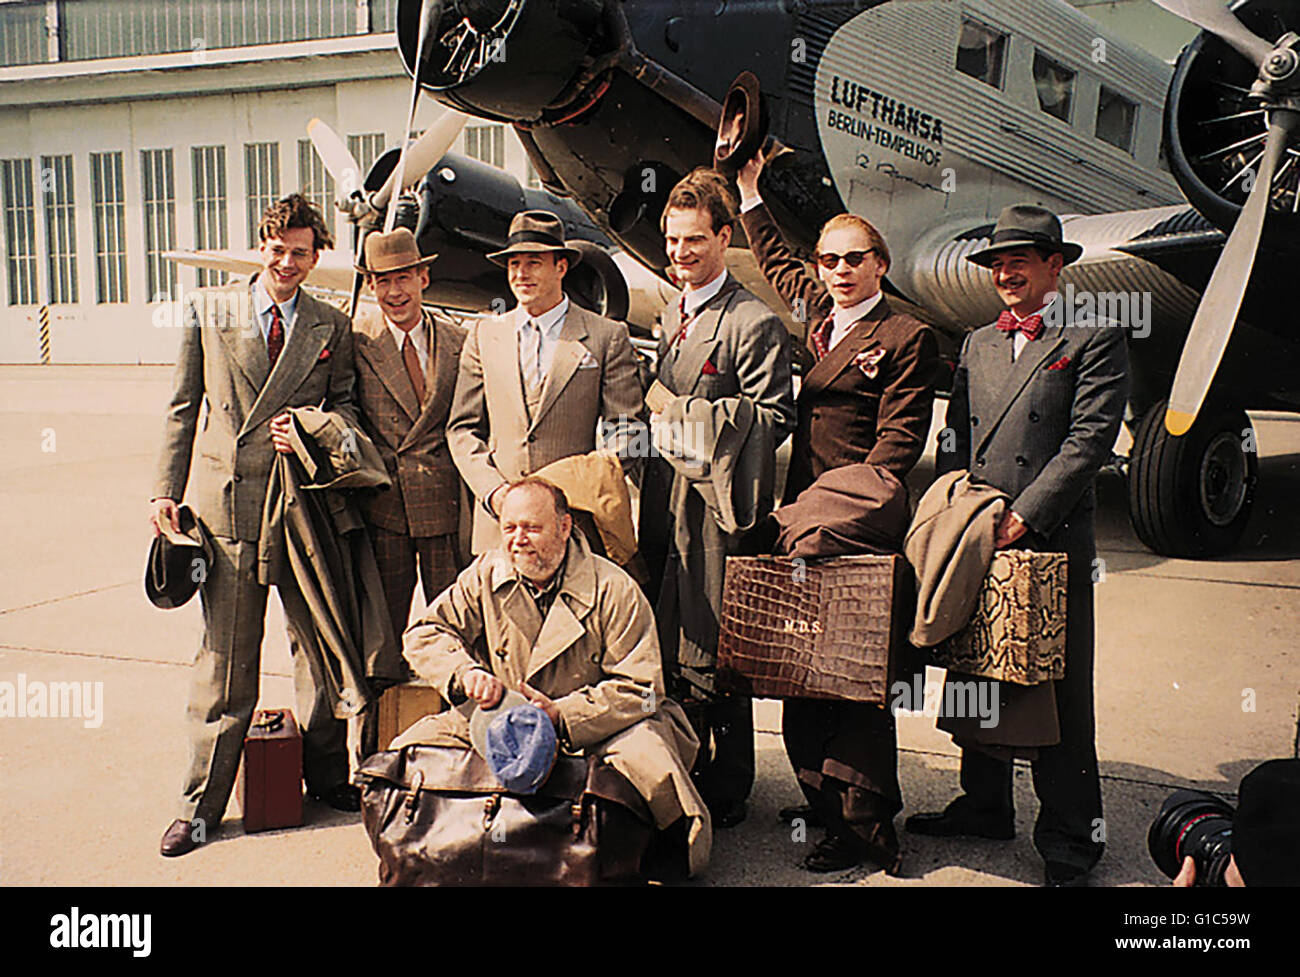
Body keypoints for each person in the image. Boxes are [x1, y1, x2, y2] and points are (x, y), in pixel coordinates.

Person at [905, 204, 1130, 887]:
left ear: (1055, 266)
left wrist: (1023, 516)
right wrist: (958, 506)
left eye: (1020, 260)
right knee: (980, 670)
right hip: (982, 531)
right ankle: (984, 804)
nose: (1005, 272)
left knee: (1059, 687)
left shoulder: (1094, 334)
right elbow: (957, 440)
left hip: (1050, 538)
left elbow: (1088, 442)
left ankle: (1070, 836)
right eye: (998, 262)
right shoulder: (975, 342)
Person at [736, 155, 941, 872]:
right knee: (800, 671)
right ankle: (823, 802)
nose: (840, 269)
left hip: (853, 522)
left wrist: (821, 510)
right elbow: (775, 260)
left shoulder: (907, 336)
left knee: (853, 683)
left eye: (855, 258)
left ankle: (864, 826)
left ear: (880, 264)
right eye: (829, 260)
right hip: (806, 521)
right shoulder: (817, 314)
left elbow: (897, 447)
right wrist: (750, 194)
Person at [150, 194, 362, 857]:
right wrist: (164, 492)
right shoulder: (209, 311)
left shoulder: (332, 324)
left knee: (319, 653)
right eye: (278, 249)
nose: (288, 262)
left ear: (316, 254)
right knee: (225, 663)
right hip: (228, 511)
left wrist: (312, 429)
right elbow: (183, 406)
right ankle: (201, 805)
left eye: (302, 252)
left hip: (301, 509)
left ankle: (330, 776)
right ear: (259, 245)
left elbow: (349, 406)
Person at [391, 477, 711, 877]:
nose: (517, 540)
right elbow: (424, 632)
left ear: (564, 527)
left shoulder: (615, 589)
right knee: (411, 751)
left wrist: (562, 714)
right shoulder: (486, 573)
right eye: (509, 528)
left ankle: (637, 858)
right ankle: (441, 851)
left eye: (531, 527)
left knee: (650, 764)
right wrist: (465, 672)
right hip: (502, 716)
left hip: (597, 725)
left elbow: (643, 691)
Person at [639, 168, 796, 829]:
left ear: (725, 237)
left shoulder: (752, 321)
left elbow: (775, 415)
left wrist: (694, 416)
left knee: (716, 637)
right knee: (668, 630)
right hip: (660, 499)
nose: (680, 254)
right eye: (673, 241)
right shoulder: (668, 309)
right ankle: (685, 759)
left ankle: (731, 783)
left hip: (715, 501)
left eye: (695, 241)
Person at [446, 210, 646, 556]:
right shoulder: (483, 335)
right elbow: (461, 430)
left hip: (575, 527)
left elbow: (631, 432)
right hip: (499, 529)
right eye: (514, 264)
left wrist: (577, 486)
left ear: (561, 267)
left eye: (534, 263)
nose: (521, 274)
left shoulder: (606, 337)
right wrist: (496, 493)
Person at [351, 227, 466, 651]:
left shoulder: (459, 341)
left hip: (446, 511)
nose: (394, 292)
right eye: (383, 281)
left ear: (424, 278)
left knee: (455, 632)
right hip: (385, 514)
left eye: (403, 278)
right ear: (370, 285)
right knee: (380, 638)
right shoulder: (356, 343)